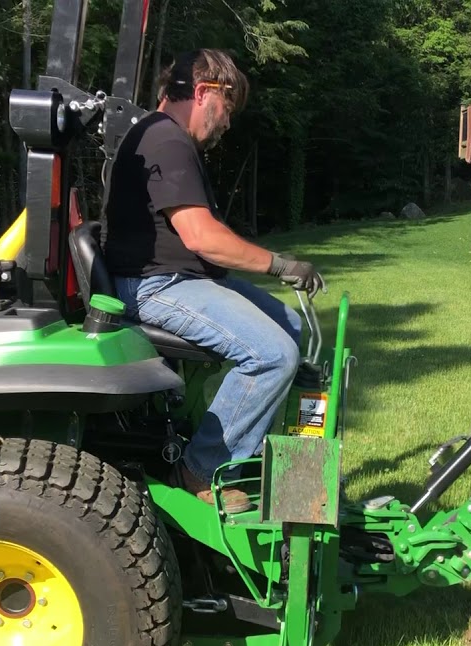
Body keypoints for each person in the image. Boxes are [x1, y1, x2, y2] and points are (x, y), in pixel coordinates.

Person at [101, 48, 325, 512]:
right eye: (227, 110)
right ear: (203, 92)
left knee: (291, 326)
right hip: (155, 286)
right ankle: (198, 469)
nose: (227, 124)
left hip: (176, 277)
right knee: (272, 355)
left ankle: (250, 444)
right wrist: (281, 265)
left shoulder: (164, 137)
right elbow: (202, 237)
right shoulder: (166, 140)